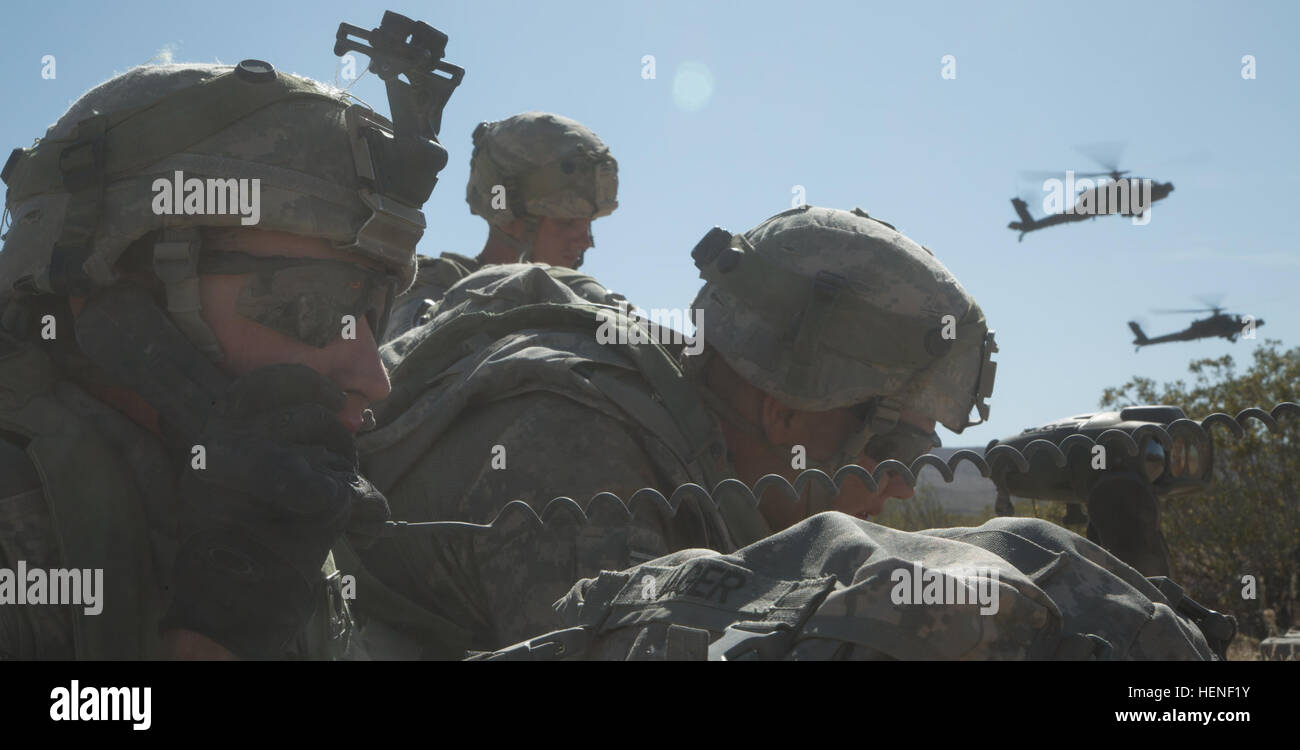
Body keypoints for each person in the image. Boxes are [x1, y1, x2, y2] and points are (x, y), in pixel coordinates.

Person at [349, 205, 999, 655]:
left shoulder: (690, 438)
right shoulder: (586, 465)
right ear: (789, 413)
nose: (895, 489)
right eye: (896, 448)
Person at [0, 55, 454, 659]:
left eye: (376, 311)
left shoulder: (259, 493)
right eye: (310, 306)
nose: (375, 379)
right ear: (127, 301)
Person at [382, 112, 619, 341]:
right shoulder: (436, 292)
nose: (586, 241)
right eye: (566, 222)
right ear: (509, 220)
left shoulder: (589, 302)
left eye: (589, 224)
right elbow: (409, 355)